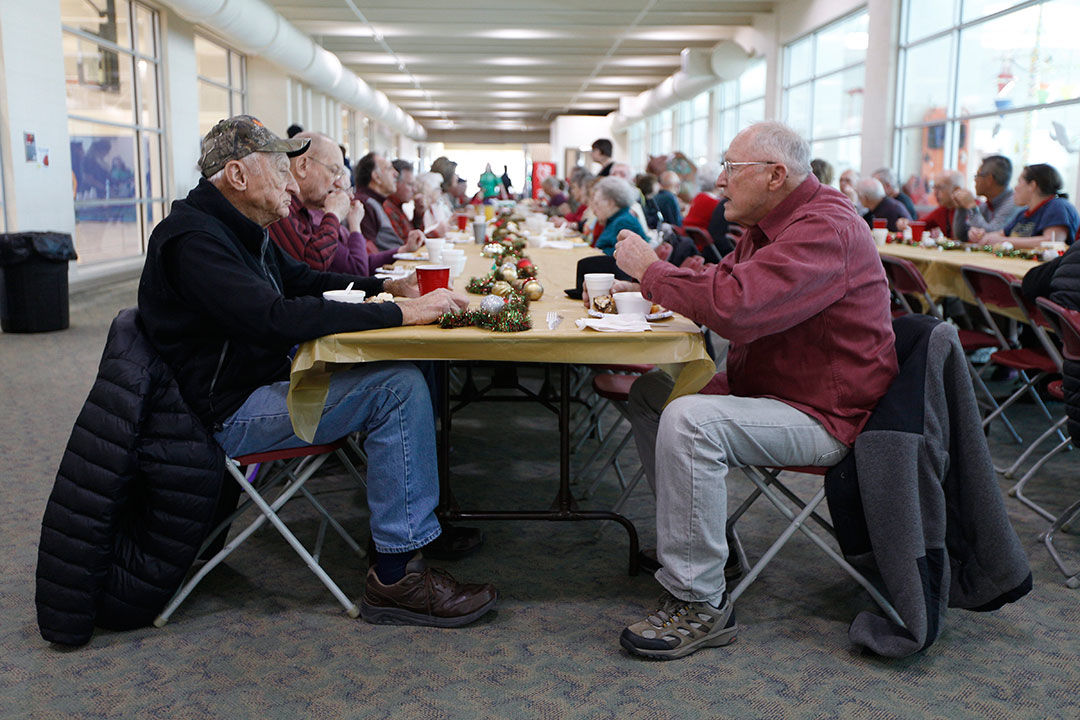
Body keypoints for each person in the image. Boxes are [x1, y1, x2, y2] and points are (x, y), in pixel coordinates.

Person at [137, 115, 497, 627]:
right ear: (238, 176)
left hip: (262, 382)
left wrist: (389, 290)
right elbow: (273, 318)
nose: (292, 181)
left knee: (401, 366)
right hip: (226, 413)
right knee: (398, 386)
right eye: (280, 170)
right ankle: (396, 577)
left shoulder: (236, 229)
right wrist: (403, 313)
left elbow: (305, 280)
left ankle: (411, 530)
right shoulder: (194, 240)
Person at [605, 121, 897, 660]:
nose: (719, 181)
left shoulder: (825, 227)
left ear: (774, 175)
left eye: (731, 169)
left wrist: (653, 272)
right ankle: (706, 550)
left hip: (825, 414)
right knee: (653, 396)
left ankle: (700, 602)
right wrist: (655, 277)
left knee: (690, 420)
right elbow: (726, 281)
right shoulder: (770, 225)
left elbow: (736, 309)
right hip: (778, 389)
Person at [268, 131, 375, 272]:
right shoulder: (279, 206)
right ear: (303, 166)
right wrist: (334, 214)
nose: (338, 183)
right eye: (333, 171)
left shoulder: (303, 211)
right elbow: (314, 263)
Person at [973, 163, 1078, 249]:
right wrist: (982, 236)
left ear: (1032, 186)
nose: (1015, 188)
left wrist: (1004, 241)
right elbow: (999, 235)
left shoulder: (1058, 205)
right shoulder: (1023, 214)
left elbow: (1053, 242)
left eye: (1019, 182)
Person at [352, 152, 426, 252]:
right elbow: (370, 257)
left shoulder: (376, 202)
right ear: (377, 177)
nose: (395, 174)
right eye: (389, 169)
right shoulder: (364, 205)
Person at [951, 155, 1020, 243]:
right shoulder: (987, 204)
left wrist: (971, 207)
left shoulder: (1013, 203)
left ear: (989, 179)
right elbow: (961, 236)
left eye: (977, 175)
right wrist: (961, 208)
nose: (975, 180)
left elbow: (992, 235)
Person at [591, 176, 648, 256]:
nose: (594, 210)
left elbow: (626, 255)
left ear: (611, 203)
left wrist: (601, 252)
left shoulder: (624, 222)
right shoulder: (616, 219)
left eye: (597, 204)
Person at [899, 171, 963, 239]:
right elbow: (919, 225)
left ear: (956, 190)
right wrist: (905, 224)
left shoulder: (970, 210)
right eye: (934, 188)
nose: (935, 193)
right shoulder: (942, 210)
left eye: (940, 188)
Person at [383, 159, 432, 240]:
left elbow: (411, 234)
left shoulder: (398, 206)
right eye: (410, 184)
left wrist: (418, 214)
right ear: (395, 182)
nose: (414, 190)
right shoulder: (387, 208)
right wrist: (435, 234)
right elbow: (405, 245)